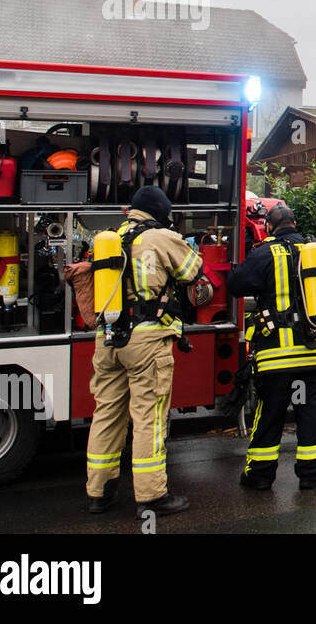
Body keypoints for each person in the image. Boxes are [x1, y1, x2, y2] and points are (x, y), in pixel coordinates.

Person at [85, 185, 202, 517]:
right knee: (148, 417)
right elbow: (193, 272)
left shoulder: (111, 236)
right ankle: (151, 497)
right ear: (161, 211)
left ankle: (99, 493)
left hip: (107, 338)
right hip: (146, 340)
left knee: (106, 415)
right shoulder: (160, 237)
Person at [227, 203, 316, 490]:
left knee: (270, 415)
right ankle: (312, 474)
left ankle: (260, 475)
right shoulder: (314, 252)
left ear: (269, 227)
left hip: (279, 359)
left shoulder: (264, 253)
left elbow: (235, 285)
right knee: (309, 413)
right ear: (295, 223)